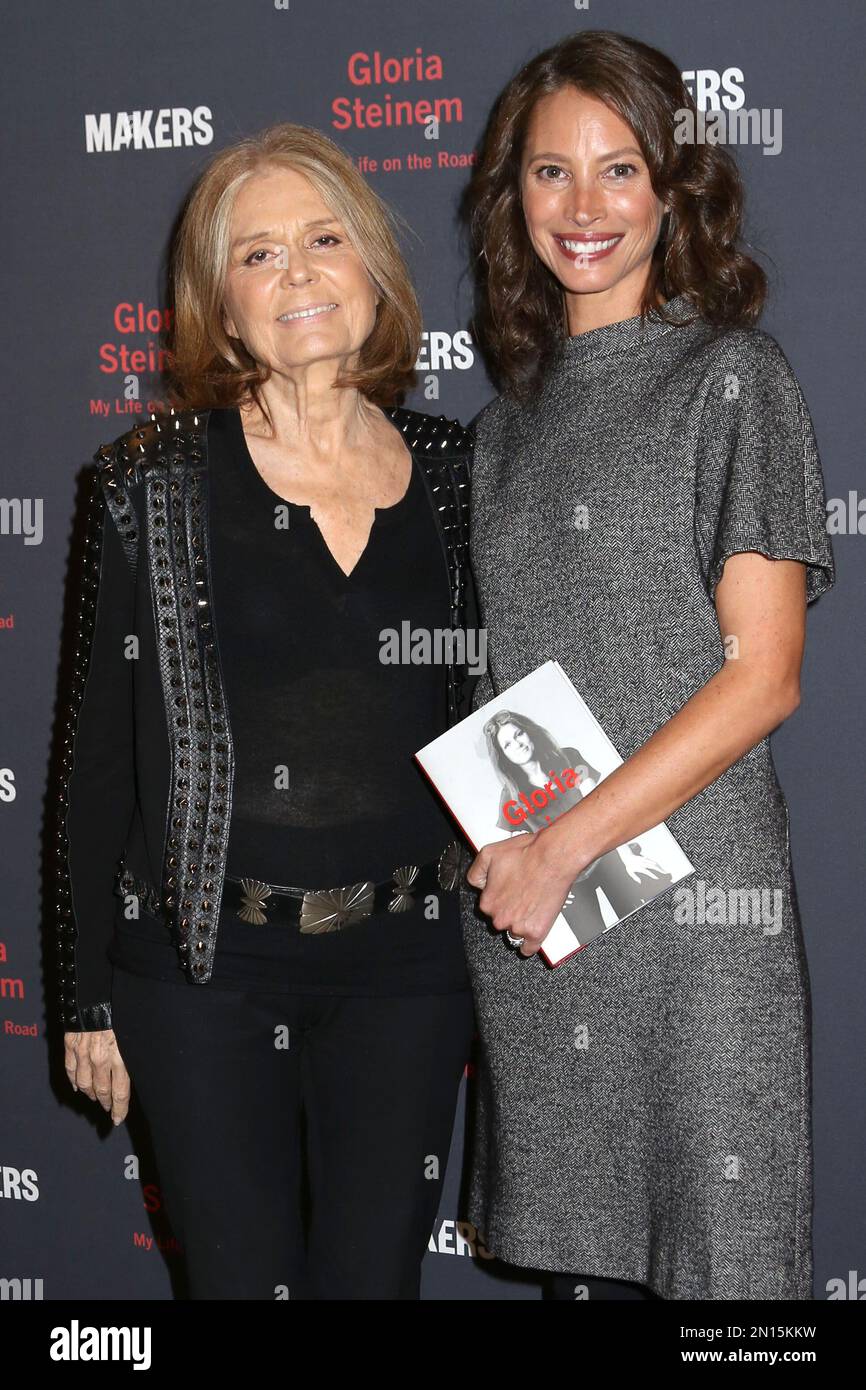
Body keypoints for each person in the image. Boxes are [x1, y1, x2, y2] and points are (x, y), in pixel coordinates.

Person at [56, 122, 477, 1300]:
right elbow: (94, 761)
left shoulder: (457, 470)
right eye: (257, 255)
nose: (297, 272)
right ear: (221, 310)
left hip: (407, 967)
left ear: (373, 271)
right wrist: (84, 993)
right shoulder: (149, 480)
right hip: (204, 974)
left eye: (324, 238)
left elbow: (504, 713)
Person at [460, 31, 835, 1301]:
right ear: (512, 194)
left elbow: (762, 675)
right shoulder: (500, 427)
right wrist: (535, 859)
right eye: (550, 173)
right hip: (547, 926)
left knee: (727, 1286)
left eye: (618, 170)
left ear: (673, 188)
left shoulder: (731, 378)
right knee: (574, 1267)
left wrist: (564, 846)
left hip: (695, 917)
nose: (583, 209)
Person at [483, 709, 661, 935]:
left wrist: (628, 856)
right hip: (566, 881)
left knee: (643, 923)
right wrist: (543, 888)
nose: (517, 744)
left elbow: (604, 811)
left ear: (529, 733)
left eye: (518, 735)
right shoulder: (510, 797)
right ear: (503, 756)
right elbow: (521, 853)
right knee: (590, 943)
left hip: (606, 856)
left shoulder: (568, 758)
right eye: (507, 745)